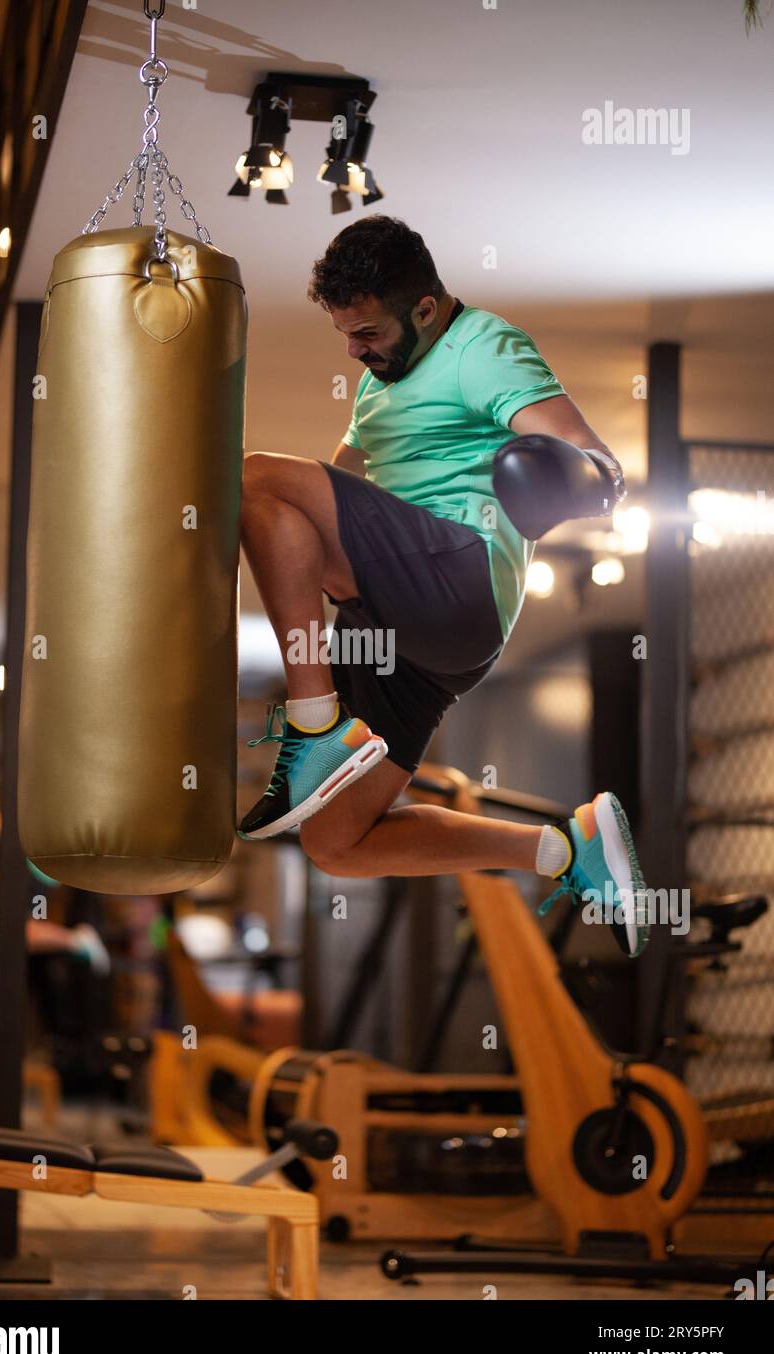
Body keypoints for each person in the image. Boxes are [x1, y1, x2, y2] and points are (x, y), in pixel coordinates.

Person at [238, 216, 648, 957]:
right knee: (336, 842)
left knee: (250, 477)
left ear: (425, 308)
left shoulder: (483, 348)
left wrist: (585, 478)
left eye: (366, 332)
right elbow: (324, 502)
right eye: (346, 335)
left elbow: (591, 456)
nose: (355, 351)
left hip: (457, 580)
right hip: (403, 634)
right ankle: (564, 849)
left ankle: (312, 725)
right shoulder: (378, 383)